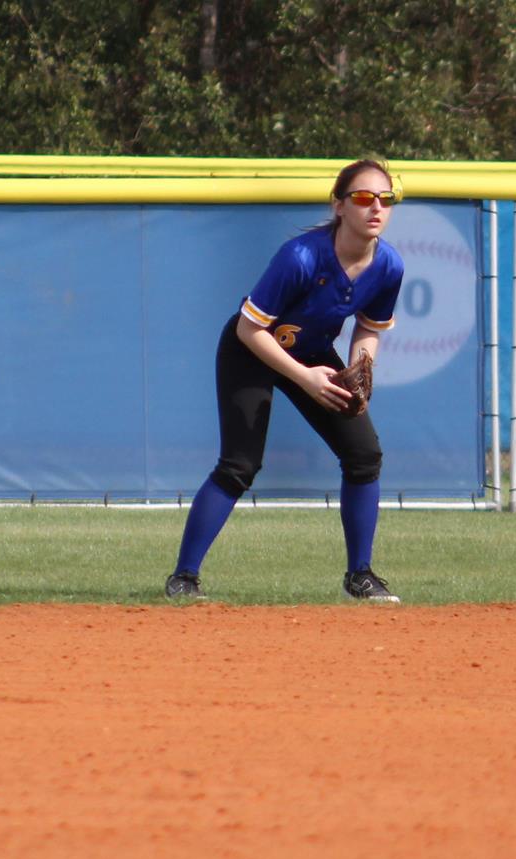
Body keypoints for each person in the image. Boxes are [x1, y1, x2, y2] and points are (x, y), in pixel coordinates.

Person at [166, 158, 405, 603]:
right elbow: (248, 328)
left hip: (312, 352)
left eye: (386, 199)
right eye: (363, 197)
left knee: (364, 455)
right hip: (253, 350)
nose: (376, 207)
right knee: (240, 465)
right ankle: (184, 577)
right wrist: (305, 379)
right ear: (339, 206)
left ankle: (361, 576)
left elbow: (370, 327)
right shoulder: (301, 257)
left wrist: (360, 369)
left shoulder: (388, 265)